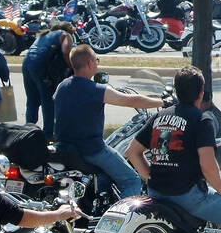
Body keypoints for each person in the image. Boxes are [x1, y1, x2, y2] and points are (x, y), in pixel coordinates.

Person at [125, 67, 221, 227]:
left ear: (176, 91)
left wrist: (151, 176)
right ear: (201, 92)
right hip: (188, 195)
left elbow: (132, 152)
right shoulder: (202, 120)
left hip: (156, 192)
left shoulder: (159, 116)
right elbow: (208, 166)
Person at [53, 44, 164, 198]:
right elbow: (130, 101)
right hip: (91, 149)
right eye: (96, 60)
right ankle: (124, 219)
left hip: (63, 146)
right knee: (132, 180)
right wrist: (162, 102)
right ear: (90, 63)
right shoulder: (95, 90)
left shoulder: (62, 86)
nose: (97, 64)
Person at [23, 22, 76, 139]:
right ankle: (49, 134)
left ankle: (27, 130)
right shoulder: (65, 35)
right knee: (48, 100)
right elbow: (66, 52)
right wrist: (73, 67)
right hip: (41, 64)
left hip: (27, 62)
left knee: (32, 99)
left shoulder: (45, 35)